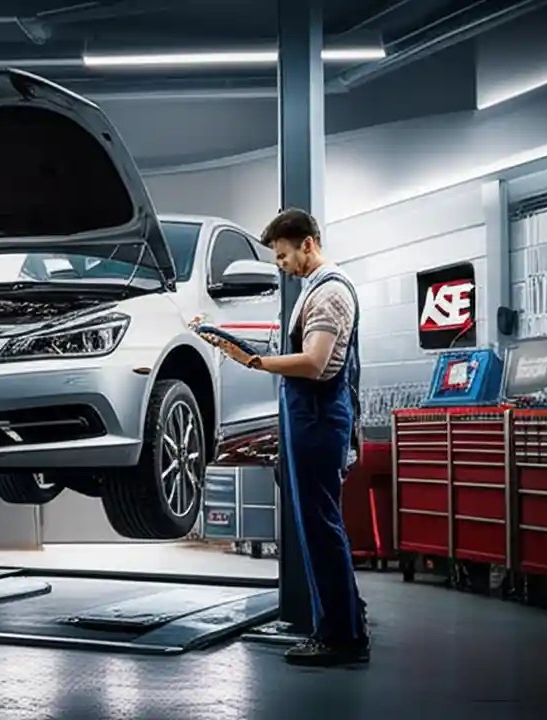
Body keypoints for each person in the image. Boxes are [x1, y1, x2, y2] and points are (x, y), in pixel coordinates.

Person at [202, 208, 368, 666]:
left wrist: (252, 362)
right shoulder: (313, 290)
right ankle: (346, 620)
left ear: (307, 245)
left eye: (282, 256)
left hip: (317, 422)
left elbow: (315, 363)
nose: (280, 265)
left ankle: (340, 637)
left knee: (321, 529)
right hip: (308, 422)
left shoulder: (330, 293)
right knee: (317, 527)